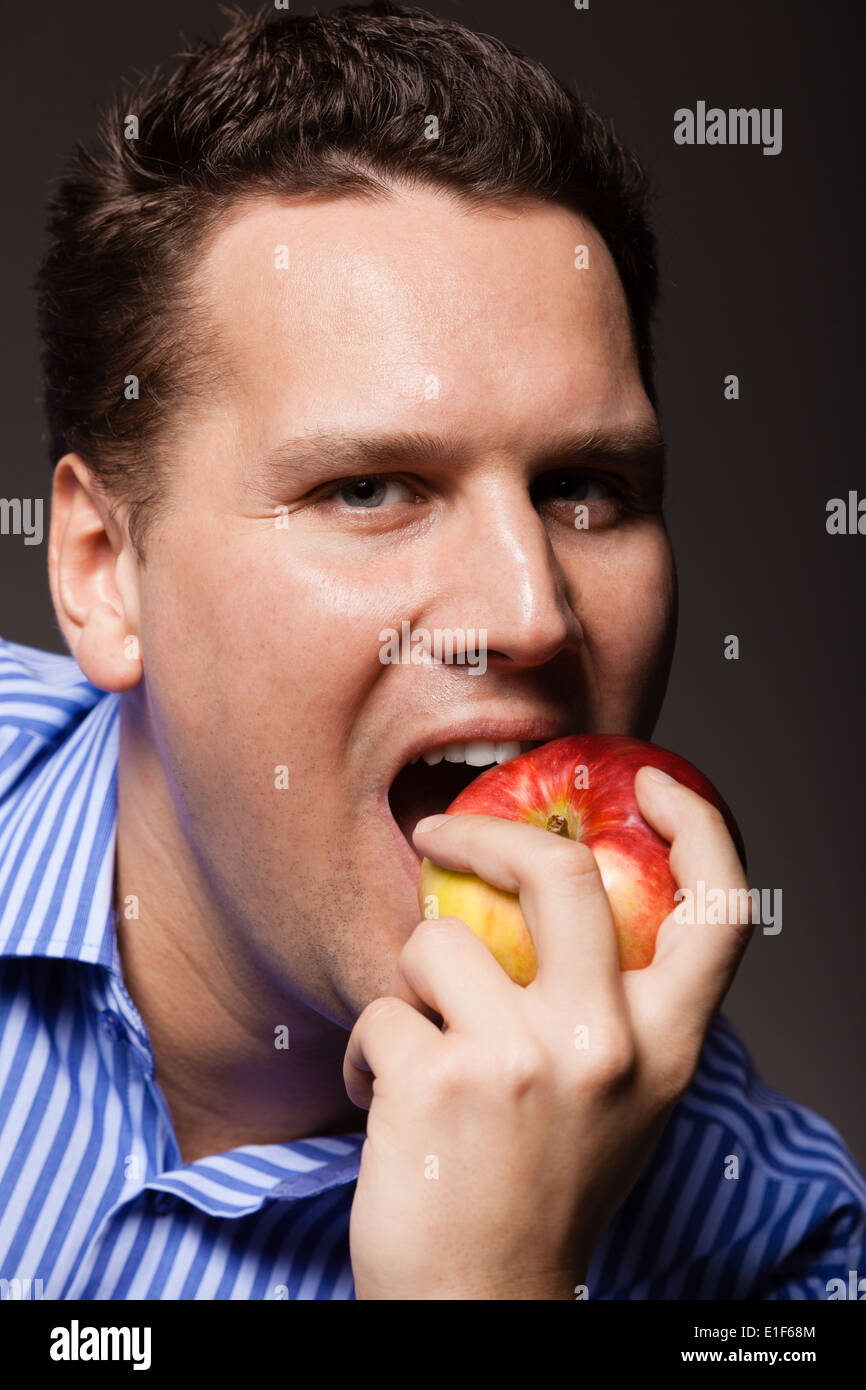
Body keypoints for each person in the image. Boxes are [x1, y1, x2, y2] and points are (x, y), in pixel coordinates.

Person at [0, 1, 862, 1301]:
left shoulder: (779, 1264)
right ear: (102, 570)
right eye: (369, 488)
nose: (533, 612)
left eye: (583, 488)